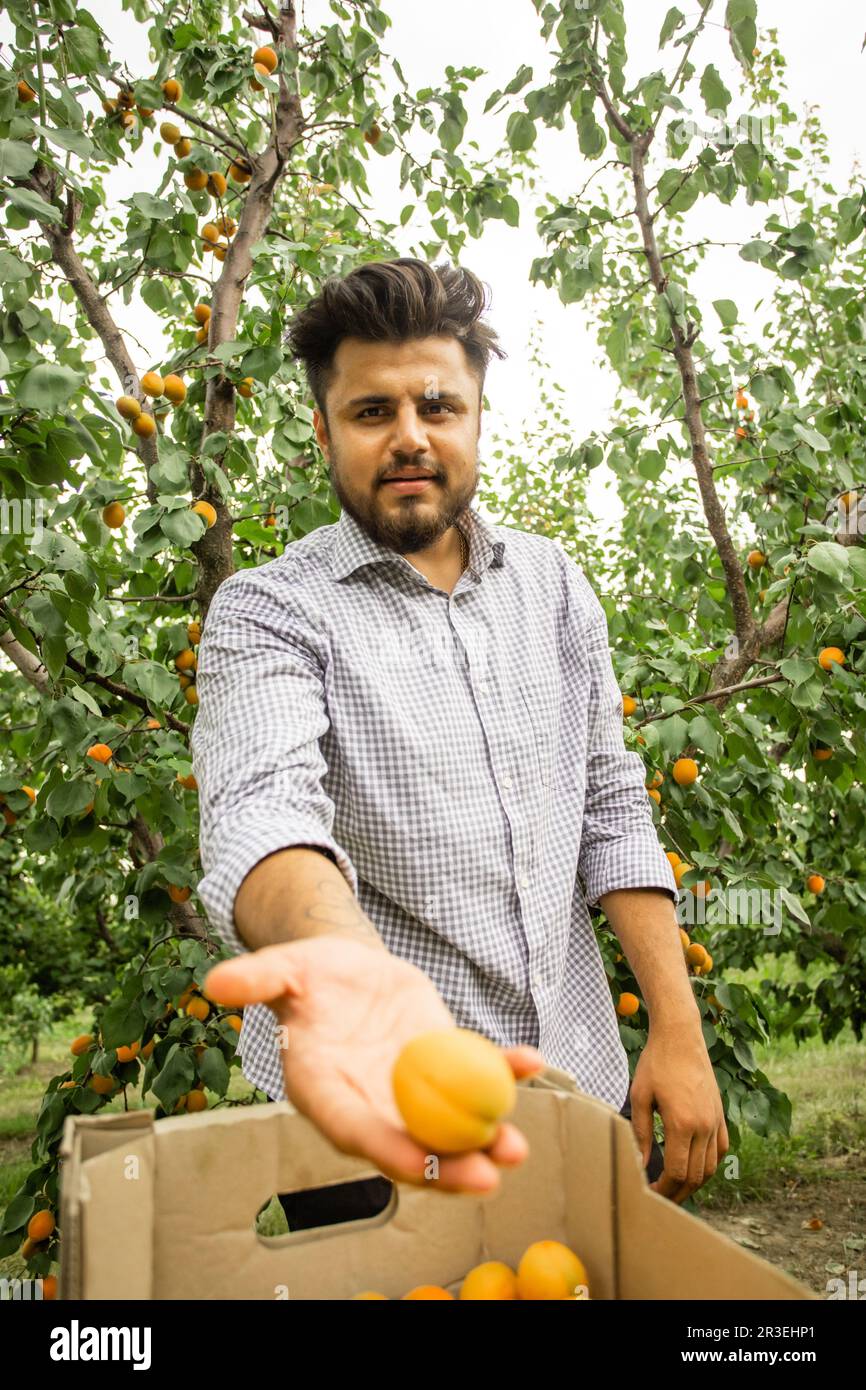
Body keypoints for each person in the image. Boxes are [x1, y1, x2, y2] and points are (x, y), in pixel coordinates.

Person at [192, 257, 727, 1230]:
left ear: (477, 419)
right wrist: (349, 970)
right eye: (369, 413)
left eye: (437, 406)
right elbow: (260, 808)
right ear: (322, 432)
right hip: (378, 1102)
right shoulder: (269, 611)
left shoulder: (554, 585)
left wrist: (676, 1032)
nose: (409, 437)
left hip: (577, 1084)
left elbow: (610, 802)